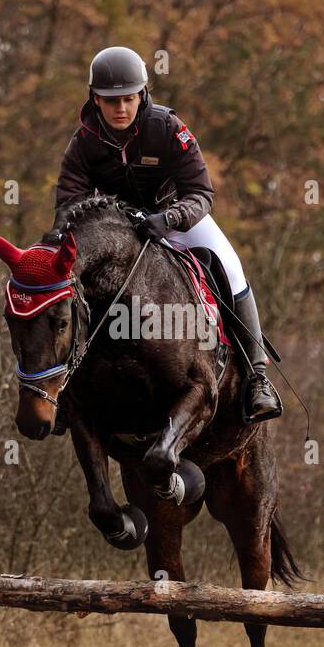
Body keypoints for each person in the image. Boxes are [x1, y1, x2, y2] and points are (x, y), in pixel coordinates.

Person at [53, 46, 282, 423]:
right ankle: (64, 387)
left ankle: (257, 375)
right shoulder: (83, 143)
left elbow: (201, 192)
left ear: (142, 95)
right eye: (111, 101)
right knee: (68, 279)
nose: (121, 108)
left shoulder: (167, 128)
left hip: (176, 220)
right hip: (117, 232)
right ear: (95, 99)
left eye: (129, 98)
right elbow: (67, 206)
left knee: (231, 266)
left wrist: (170, 218)